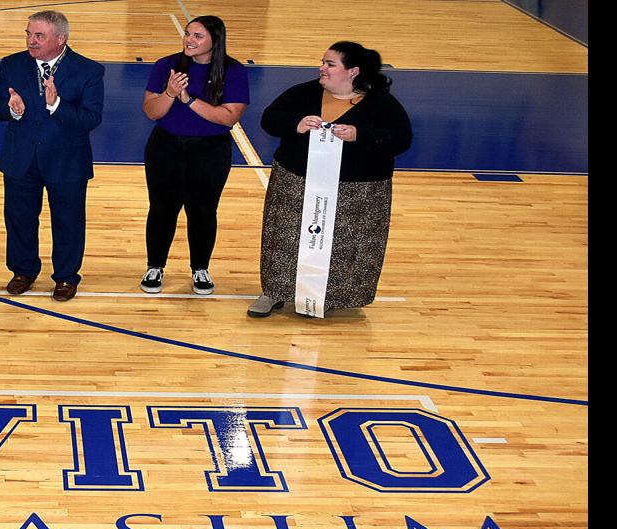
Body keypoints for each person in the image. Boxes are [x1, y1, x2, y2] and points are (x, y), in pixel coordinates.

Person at [250, 42, 412, 317]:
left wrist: (360, 135)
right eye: (323, 62)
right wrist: (296, 124)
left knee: (346, 243)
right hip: (296, 180)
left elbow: (400, 139)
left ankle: (327, 297)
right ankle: (274, 292)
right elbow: (270, 119)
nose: (321, 68)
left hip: (358, 189)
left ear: (353, 71)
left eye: (330, 64)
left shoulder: (381, 103)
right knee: (284, 238)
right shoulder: (304, 93)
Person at [0, 10, 104, 302]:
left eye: (39, 35)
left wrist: (57, 105)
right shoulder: (12, 64)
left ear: (61, 38)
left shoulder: (89, 71)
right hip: (20, 157)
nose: (31, 40)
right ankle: (23, 271)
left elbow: (91, 118)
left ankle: (65, 276)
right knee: (19, 218)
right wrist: (11, 108)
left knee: (68, 221)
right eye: (28, 33)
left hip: (66, 161)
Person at [139, 15, 249, 296]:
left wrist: (187, 99)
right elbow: (153, 111)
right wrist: (170, 92)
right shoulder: (166, 65)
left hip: (210, 151)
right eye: (188, 34)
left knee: (202, 210)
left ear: (215, 41)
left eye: (198, 36)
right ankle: (155, 266)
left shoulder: (233, 71)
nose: (189, 39)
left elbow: (227, 117)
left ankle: (200, 268)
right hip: (165, 147)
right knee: (162, 208)